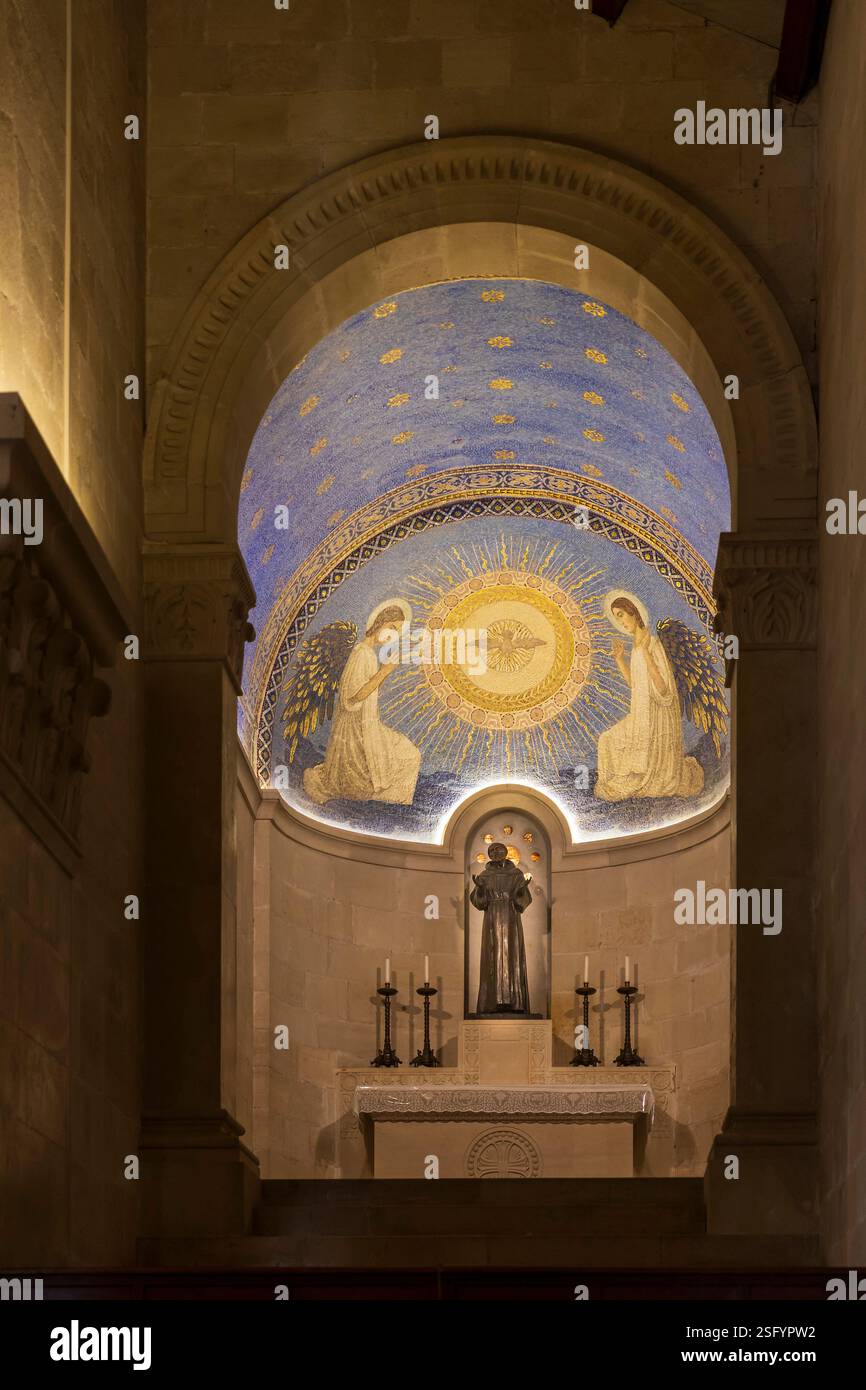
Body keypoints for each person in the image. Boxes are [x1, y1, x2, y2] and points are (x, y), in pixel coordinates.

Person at [303, 605, 421, 805]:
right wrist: (385, 672)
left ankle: (387, 796)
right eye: (391, 627)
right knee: (410, 754)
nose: (392, 635)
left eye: (397, 632)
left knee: (410, 753)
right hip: (356, 729)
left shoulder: (369, 654)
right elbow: (355, 696)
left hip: (367, 724)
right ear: (379, 623)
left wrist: (383, 671)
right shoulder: (362, 654)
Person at [595, 595, 703, 801]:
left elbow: (663, 689)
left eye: (622, 615)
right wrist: (619, 660)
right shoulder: (636, 647)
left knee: (609, 741)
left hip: (654, 715)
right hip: (640, 712)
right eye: (617, 619)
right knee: (606, 739)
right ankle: (635, 775)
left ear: (634, 613)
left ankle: (650, 775)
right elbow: (636, 686)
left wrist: (646, 653)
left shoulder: (652, 644)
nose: (621, 622)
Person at [470, 842, 532, 1014]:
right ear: (489, 855)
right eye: (493, 851)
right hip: (491, 918)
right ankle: (490, 1003)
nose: (496, 853)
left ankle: (516, 1003)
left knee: (512, 954)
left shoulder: (516, 874)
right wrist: (481, 890)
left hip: (511, 916)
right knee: (492, 955)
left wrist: (520, 891)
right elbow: (479, 902)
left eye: (499, 850)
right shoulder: (485, 875)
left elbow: (523, 902)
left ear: (506, 852)